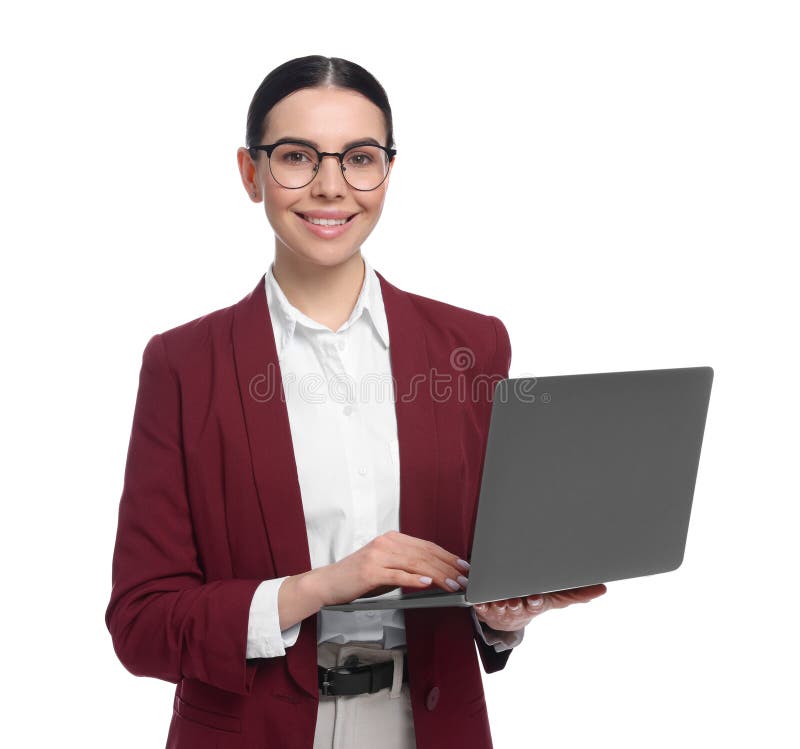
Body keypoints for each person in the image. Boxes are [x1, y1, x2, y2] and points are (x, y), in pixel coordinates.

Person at [105, 54, 607, 749]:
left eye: (360, 158)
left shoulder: (472, 345)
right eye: (297, 156)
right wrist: (322, 585)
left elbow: (478, 572)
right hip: (255, 729)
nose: (331, 186)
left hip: (430, 724)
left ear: (388, 173)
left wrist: (503, 613)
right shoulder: (184, 364)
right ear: (251, 174)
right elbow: (141, 623)